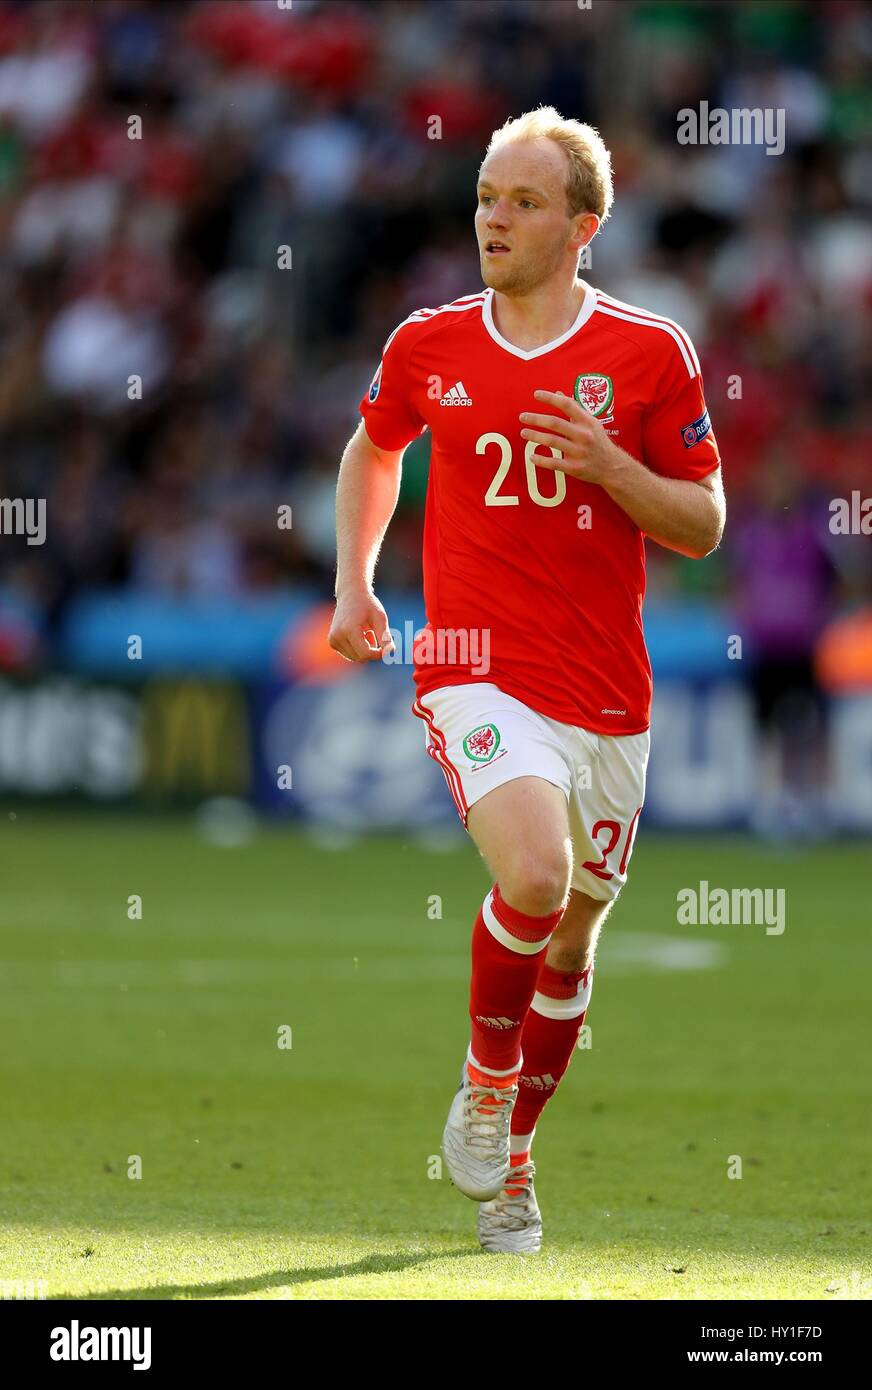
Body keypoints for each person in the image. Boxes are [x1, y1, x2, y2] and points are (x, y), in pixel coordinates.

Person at [329, 108, 725, 1253]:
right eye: (486, 198)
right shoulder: (427, 344)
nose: (493, 219)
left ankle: (512, 1159)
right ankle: (483, 1079)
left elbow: (701, 523)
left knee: (570, 940)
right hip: (469, 662)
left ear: (582, 227)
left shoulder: (650, 354)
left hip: (604, 688)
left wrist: (611, 466)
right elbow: (374, 444)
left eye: (523, 202)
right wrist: (355, 583)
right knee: (538, 871)